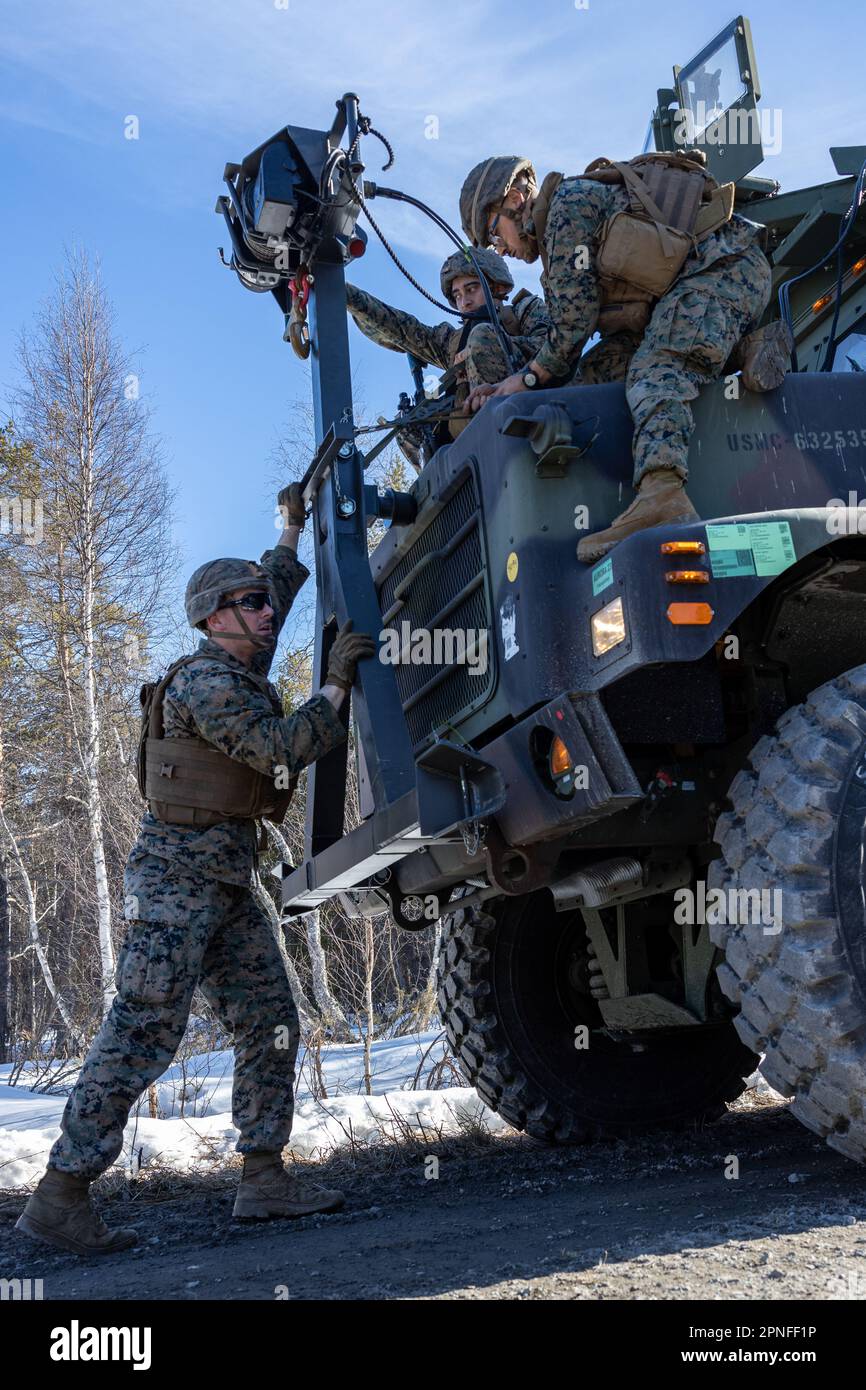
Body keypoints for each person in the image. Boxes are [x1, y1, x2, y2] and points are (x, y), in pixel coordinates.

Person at [16, 485, 376, 1256]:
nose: (267, 611)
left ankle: (264, 1178)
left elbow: (276, 583)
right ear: (215, 617)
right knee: (143, 1031)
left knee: (272, 1020)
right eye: (250, 603)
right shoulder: (208, 682)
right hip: (176, 887)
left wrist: (293, 521)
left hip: (224, 884)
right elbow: (281, 749)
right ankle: (60, 1198)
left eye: (263, 601)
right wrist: (336, 686)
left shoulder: (242, 659)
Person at [459, 153, 772, 560]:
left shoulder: (565, 211)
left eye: (493, 233)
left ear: (515, 199)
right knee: (592, 376)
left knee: (656, 370)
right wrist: (515, 383)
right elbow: (565, 350)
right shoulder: (557, 237)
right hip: (684, 296)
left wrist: (528, 379)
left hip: (724, 269)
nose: (500, 249)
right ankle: (745, 349)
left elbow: (572, 329)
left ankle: (663, 496)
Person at [346, 247, 549, 442]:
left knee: (481, 335)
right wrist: (346, 295)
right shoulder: (454, 342)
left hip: (528, 415)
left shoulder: (525, 310)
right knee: (409, 423)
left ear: (497, 287)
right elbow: (402, 328)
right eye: (458, 295)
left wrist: (482, 351)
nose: (465, 302)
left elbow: (552, 350)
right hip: (471, 443)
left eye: (471, 289)